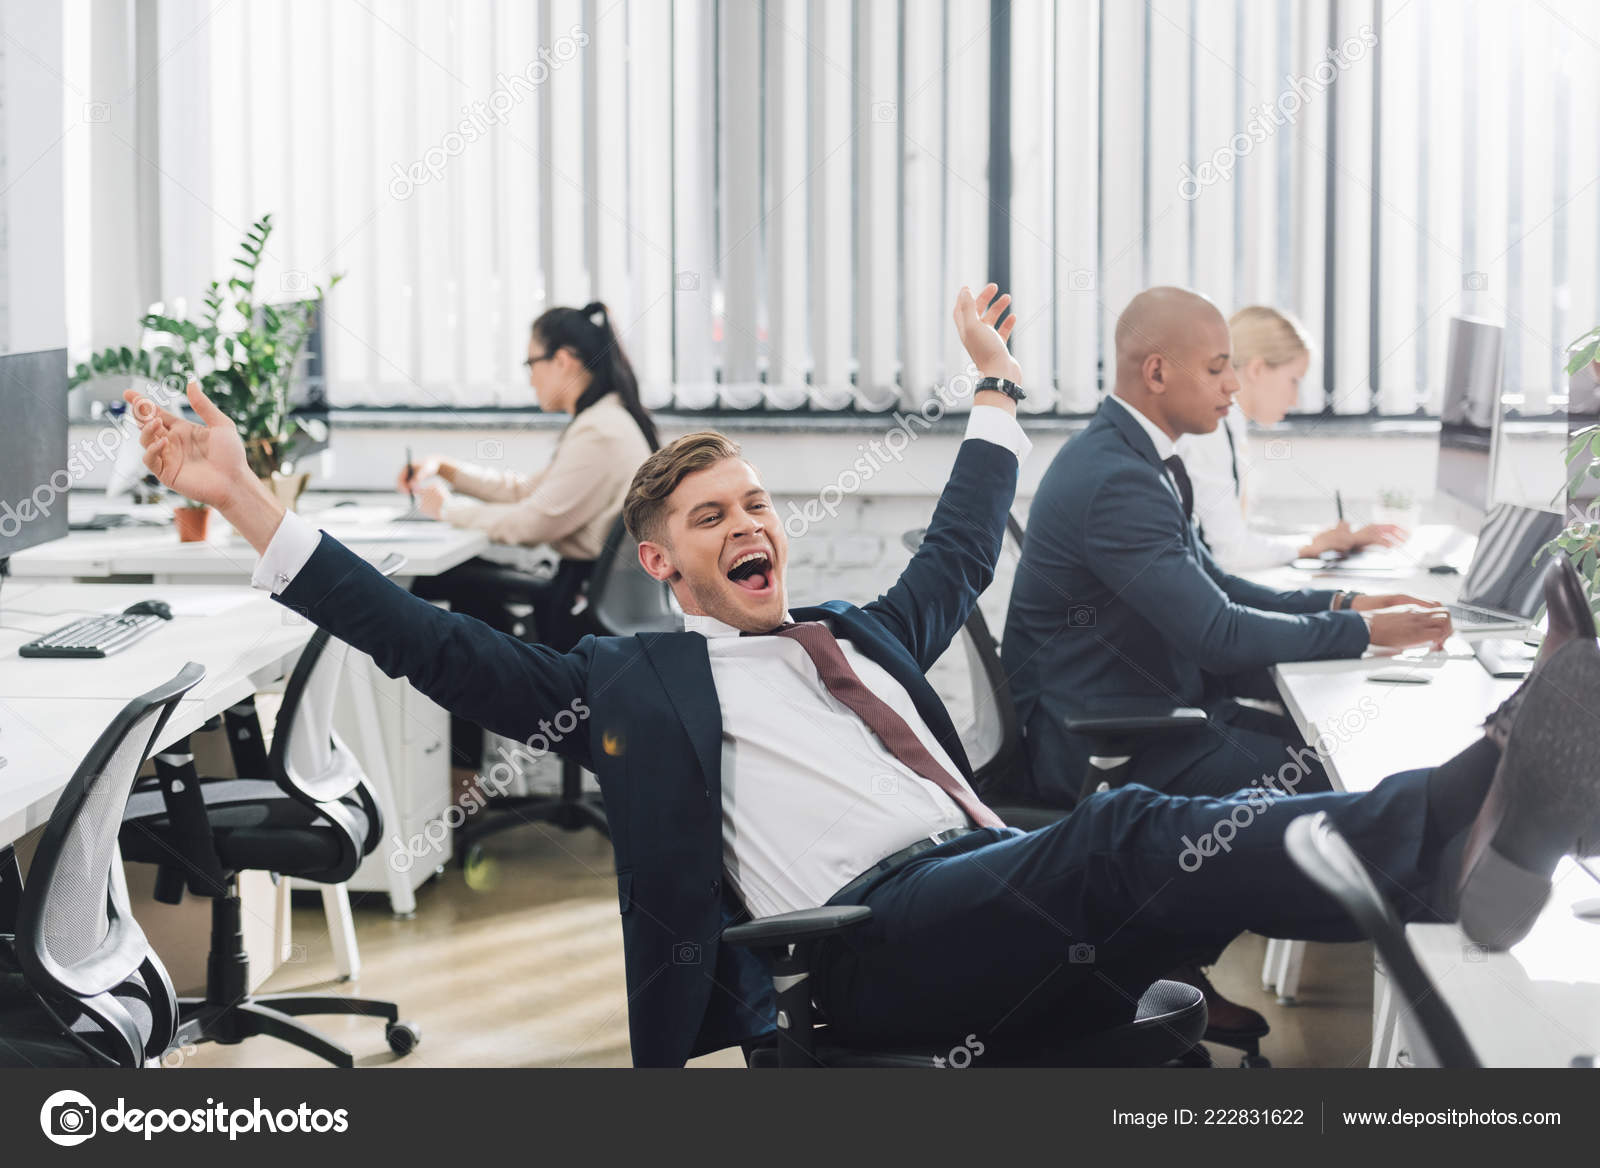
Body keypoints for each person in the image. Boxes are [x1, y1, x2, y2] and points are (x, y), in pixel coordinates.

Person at [124, 285, 1600, 1069]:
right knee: (1132, 828)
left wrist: (988, 382)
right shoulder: (632, 686)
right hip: (869, 946)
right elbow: (432, 641)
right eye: (711, 519)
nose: (747, 525)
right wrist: (255, 506)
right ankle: (1467, 829)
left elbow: (964, 539)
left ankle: (1479, 825)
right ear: (668, 563)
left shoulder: (853, 636)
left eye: (757, 505)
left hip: (993, 879)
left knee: (1155, 836)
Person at [1005, 287, 1451, 807]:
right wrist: (1364, 631)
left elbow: (1218, 584)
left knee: (1325, 750)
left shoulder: (1139, 458)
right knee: (1338, 777)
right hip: (1108, 747)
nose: (1234, 385)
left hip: (1149, 710)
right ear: (1157, 374)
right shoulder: (1116, 481)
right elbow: (1219, 633)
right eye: (1217, 370)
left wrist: (1341, 603)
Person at [405, 302, 658, 779]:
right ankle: (460, 775)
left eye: (531, 364)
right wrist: (448, 471)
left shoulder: (600, 431)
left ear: (563, 360)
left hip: (578, 608)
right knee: (467, 593)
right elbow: (527, 493)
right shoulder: (602, 420)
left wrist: (447, 510)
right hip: (585, 593)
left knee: (451, 594)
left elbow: (532, 523)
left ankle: (458, 778)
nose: (529, 378)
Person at [1177, 305, 1404, 571]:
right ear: (1257, 369)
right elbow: (1230, 552)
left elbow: (1235, 539)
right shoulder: (1209, 431)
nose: (1295, 400)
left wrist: (1318, 542)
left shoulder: (1229, 428)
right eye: (1294, 380)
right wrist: (1308, 546)